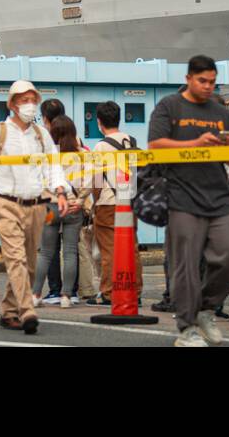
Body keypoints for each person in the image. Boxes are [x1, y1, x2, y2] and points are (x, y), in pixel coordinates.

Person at [148, 54, 229, 347]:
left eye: (212, 82)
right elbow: (154, 146)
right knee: (185, 266)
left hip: (219, 195)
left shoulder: (220, 111)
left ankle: (205, 308)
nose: (207, 87)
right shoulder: (169, 106)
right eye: (202, 81)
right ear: (188, 78)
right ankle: (186, 327)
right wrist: (196, 143)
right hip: (182, 196)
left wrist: (228, 147)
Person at [0, 80, 69, 334]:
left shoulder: (41, 134)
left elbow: (53, 165)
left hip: (36, 205)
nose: (29, 105)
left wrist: (60, 191)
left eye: (32, 99)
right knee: (15, 259)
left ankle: (9, 311)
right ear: (12, 104)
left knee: (30, 262)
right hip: (5, 203)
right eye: (23, 100)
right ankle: (27, 311)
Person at [31, 115, 88, 308]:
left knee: (45, 252)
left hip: (51, 206)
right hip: (73, 206)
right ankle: (67, 296)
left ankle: (36, 294)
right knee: (70, 252)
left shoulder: (47, 154)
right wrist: (80, 200)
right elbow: (91, 182)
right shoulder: (83, 154)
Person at [89, 101, 140, 306]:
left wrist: (94, 203)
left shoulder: (100, 146)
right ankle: (135, 290)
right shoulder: (132, 141)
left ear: (99, 122)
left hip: (108, 203)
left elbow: (96, 181)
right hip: (129, 201)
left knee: (109, 249)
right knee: (131, 246)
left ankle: (109, 291)